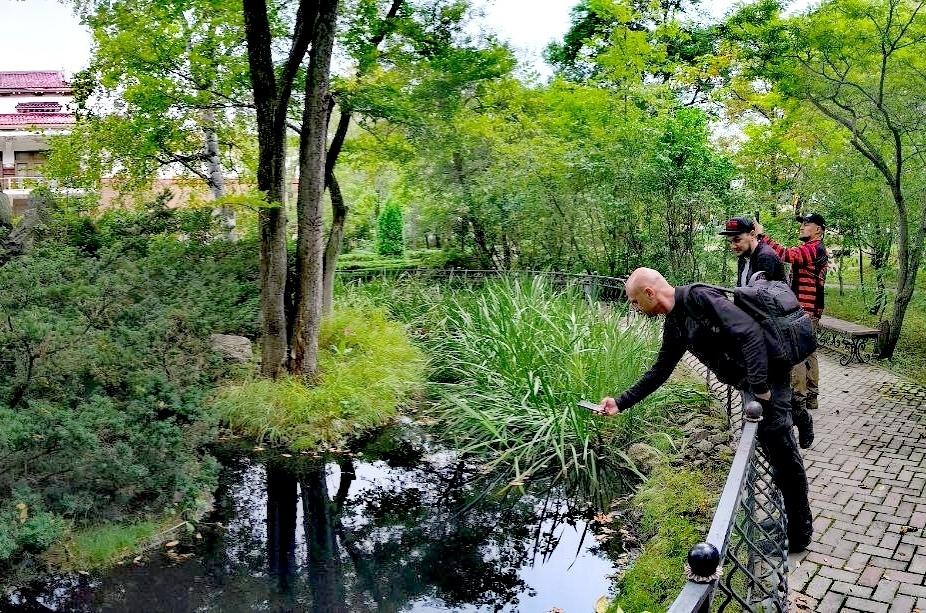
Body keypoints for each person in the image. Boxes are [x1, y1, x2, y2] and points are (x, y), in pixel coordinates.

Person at [597, 267, 813, 552]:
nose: (634, 308)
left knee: (783, 455)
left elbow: (749, 333)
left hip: (767, 377)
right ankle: (797, 415)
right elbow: (660, 371)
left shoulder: (699, 298)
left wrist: (761, 388)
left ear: (649, 293)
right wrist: (621, 402)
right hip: (753, 383)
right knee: (774, 449)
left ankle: (799, 535)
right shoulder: (675, 323)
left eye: (635, 301)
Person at [755, 214, 827, 450]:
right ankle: (811, 397)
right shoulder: (814, 248)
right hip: (810, 309)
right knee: (809, 353)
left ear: (818, 229)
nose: (802, 226)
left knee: (796, 354)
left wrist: (762, 236)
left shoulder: (813, 249)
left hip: (805, 310)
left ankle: (799, 397)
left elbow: (786, 255)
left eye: (807, 224)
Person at [719, 216, 785, 286]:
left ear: (752, 235)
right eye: (730, 242)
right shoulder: (743, 256)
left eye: (737, 240)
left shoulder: (765, 257)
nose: (733, 246)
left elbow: (760, 294)